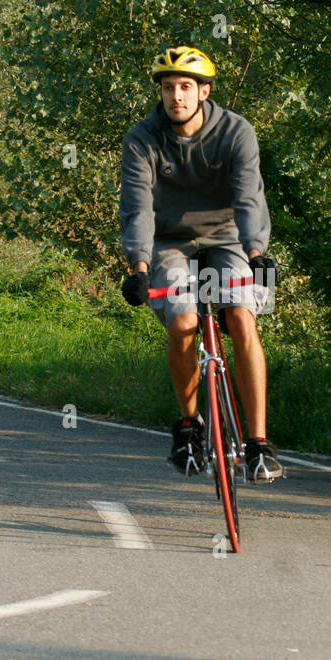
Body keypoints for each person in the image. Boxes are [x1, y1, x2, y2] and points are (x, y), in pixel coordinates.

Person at [118, 45, 285, 482]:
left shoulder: (236, 131)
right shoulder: (142, 138)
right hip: (170, 243)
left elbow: (249, 198)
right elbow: (138, 210)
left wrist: (257, 253)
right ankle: (190, 426)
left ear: (204, 91)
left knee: (241, 316)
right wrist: (138, 266)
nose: (176, 96)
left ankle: (258, 444)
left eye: (186, 87)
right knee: (184, 322)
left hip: (228, 237)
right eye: (169, 87)